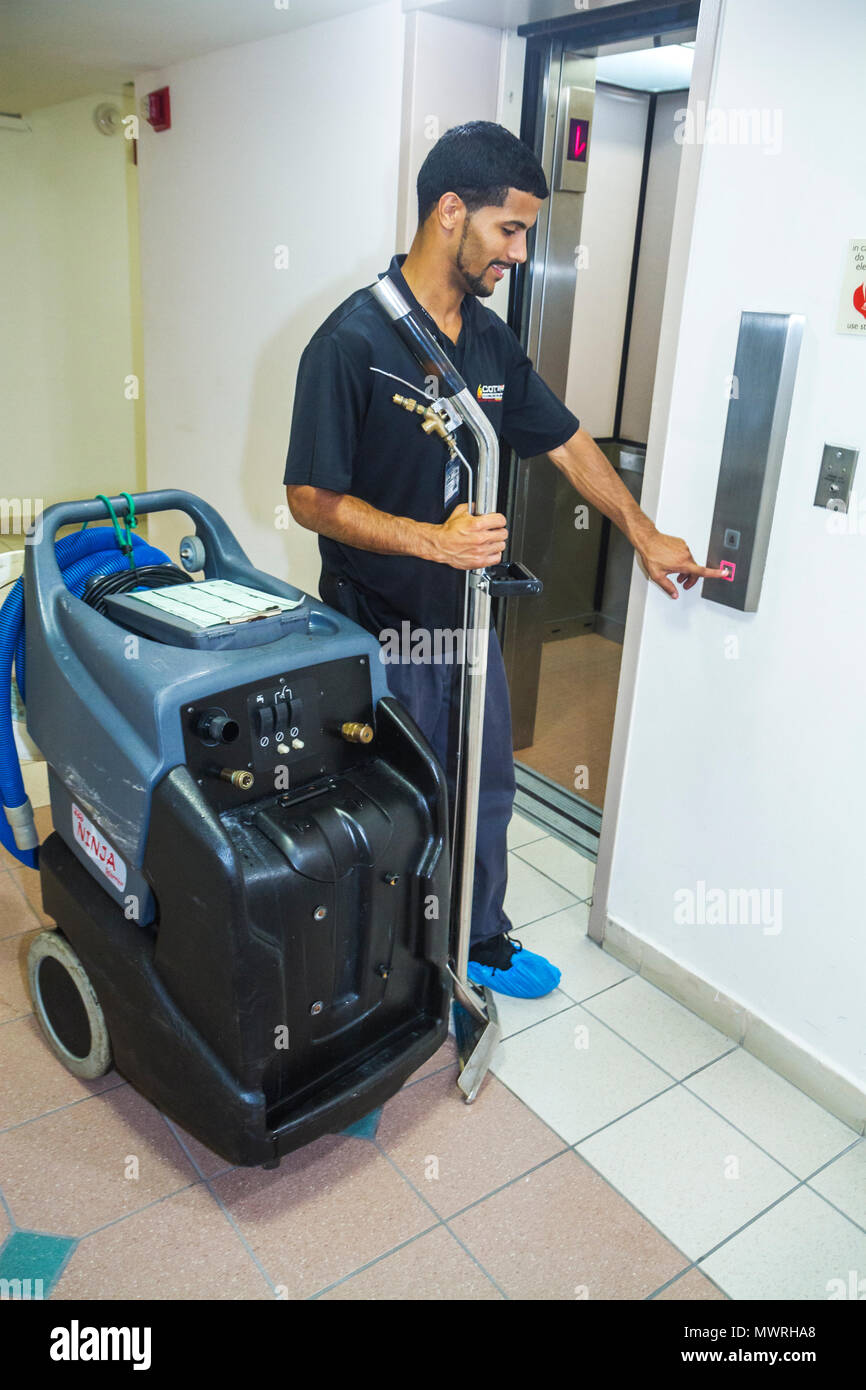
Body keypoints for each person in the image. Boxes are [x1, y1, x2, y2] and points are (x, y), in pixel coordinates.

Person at [284, 121, 723, 999]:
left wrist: (643, 530)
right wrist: (431, 540)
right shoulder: (352, 344)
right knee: (400, 806)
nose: (520, 253)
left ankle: (479, 938)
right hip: (383, 630)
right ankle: (391, 974)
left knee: (486, 790)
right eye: (509, 230)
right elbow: (309, 499)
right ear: (452, 212)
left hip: (470, 624)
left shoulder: (485, 341)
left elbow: (561, 440)